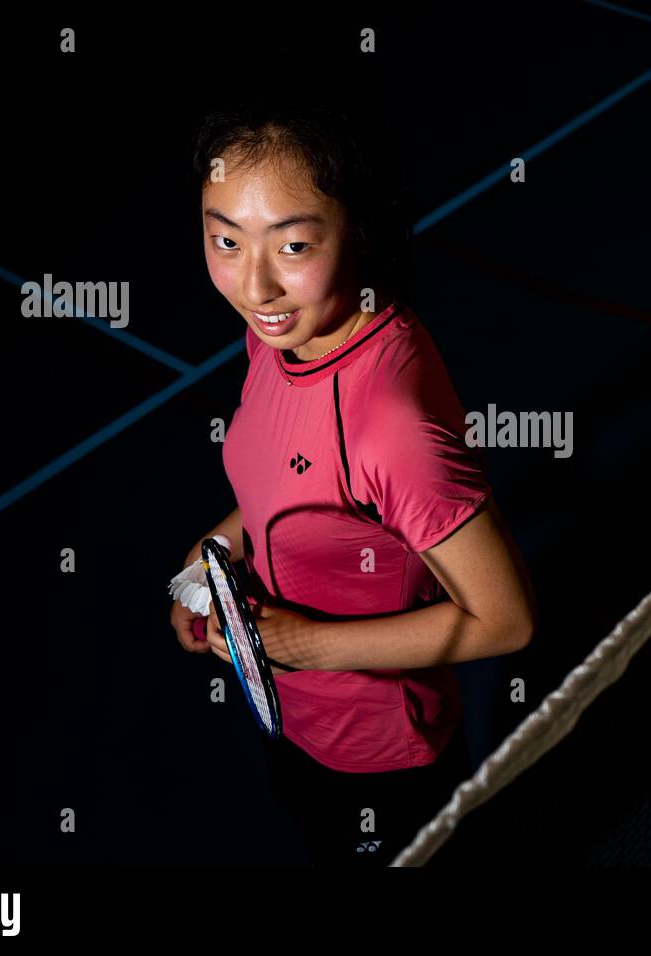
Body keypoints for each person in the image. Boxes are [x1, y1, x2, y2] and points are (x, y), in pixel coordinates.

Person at [169, 103, 538, 867]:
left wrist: (305, 644)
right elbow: (287, 477)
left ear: (358, 232)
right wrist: (211, 553)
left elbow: (506, 621)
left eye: (294, 245)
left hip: (384, 757)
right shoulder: (283, 334)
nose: (256, 285)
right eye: (225, 241)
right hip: (299, 719)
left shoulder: (388, 425)